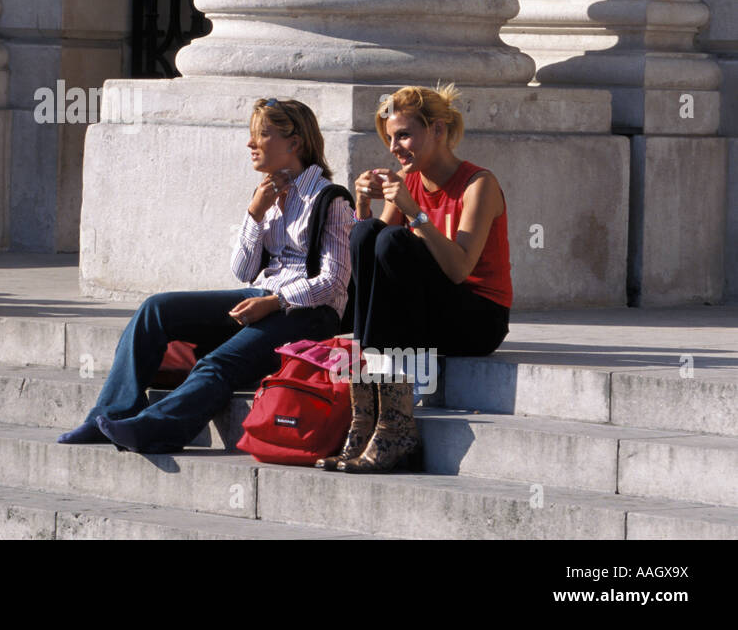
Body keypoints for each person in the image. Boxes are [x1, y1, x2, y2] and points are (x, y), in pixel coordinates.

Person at [58, 97, 353, 454]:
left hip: (306, 315)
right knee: (156, 309)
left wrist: (274, 303)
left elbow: (334, 282)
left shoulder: (331, 200)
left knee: (217, 363)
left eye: (262, 134)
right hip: (262, 297)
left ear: (295, 143)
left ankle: (155, 431)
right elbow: (244, 271)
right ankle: (108, 414)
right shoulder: (268, 194)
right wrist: (255, 215)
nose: (250, 143)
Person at [320, 84, 511, 473]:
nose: (395, 147)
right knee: (368, 232)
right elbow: (368, 256)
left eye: (405, 135)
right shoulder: (407, 184)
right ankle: (369, 414)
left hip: (478, 317)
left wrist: (414, 213)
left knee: (393, 238)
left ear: (438, 131)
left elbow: (459, 269)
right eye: (390, 137)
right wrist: (362, 206)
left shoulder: (479, 184)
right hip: (429, 313)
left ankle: (395, 423)